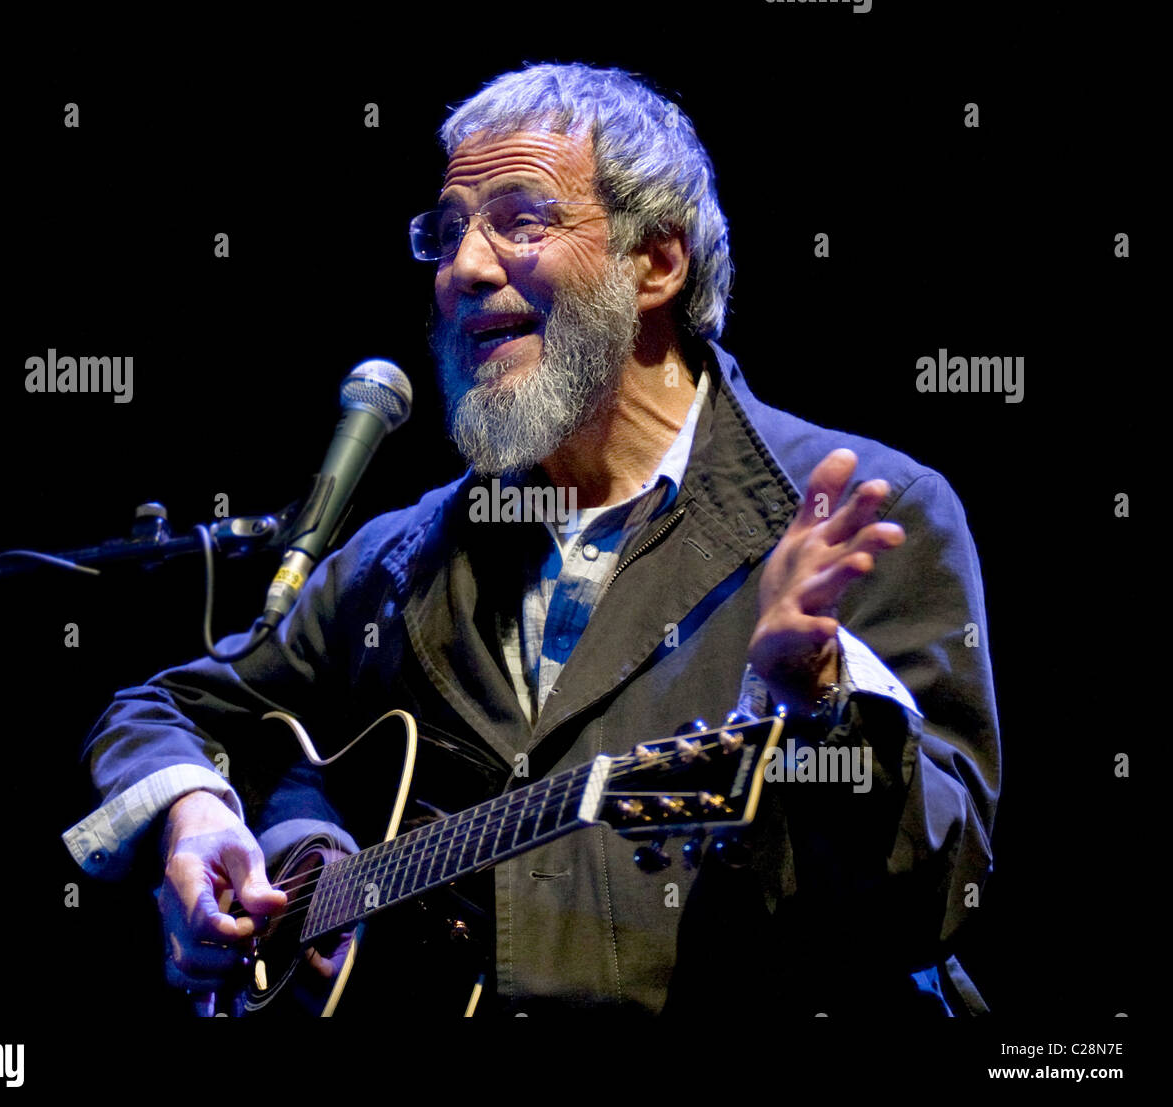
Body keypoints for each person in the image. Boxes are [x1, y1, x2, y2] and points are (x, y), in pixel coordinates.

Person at [63, 63, 999, 1017]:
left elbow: (934, 902)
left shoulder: (860, 514)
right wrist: (196, 815)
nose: (463, 269)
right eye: (447, 230)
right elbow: (168, 706)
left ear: (658, 262)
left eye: (519, 220)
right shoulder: (407, 554)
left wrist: (826, 702)